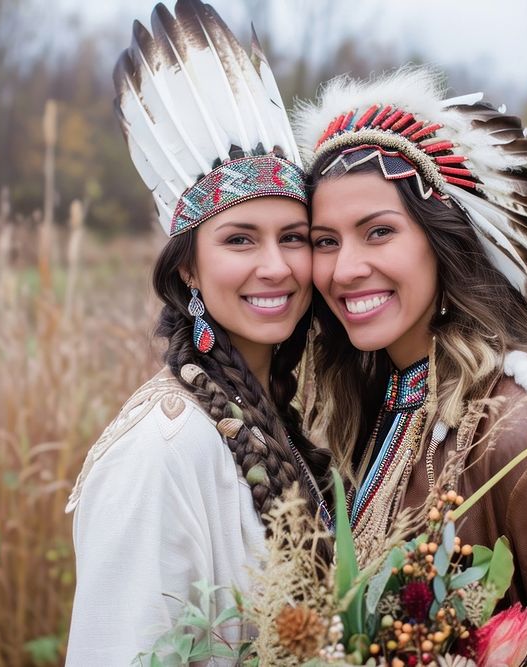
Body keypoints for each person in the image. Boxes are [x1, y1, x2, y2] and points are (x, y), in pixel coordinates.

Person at [296, 68, 527, 665]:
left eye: (378, 232)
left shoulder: (520, 440)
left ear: (446, 242)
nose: (344, 268)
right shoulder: (378, 404)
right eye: (325, 241)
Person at [64, 2, 330, 664]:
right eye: (240, 239)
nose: (275, 266)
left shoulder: (266, 414)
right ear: (188, 265)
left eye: (292, 238)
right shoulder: (161, 451)